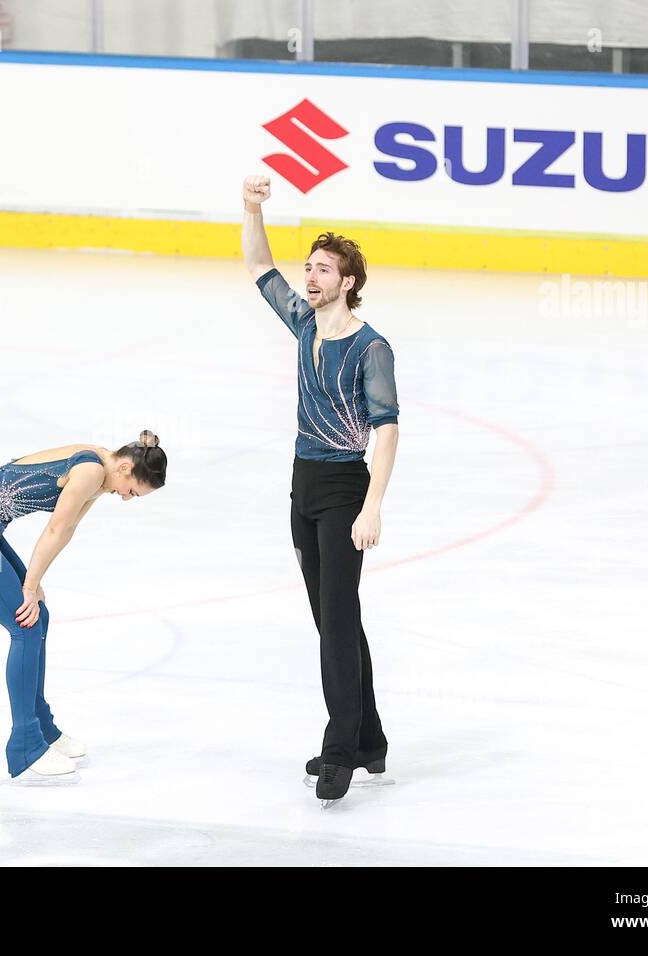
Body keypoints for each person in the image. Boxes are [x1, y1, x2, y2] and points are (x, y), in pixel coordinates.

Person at [240, 174, 401, 807]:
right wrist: (251, 207)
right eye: (308, 267)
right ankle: (370, 737)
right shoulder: (305, 325)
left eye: (323, 269)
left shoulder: (371, 348)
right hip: (302, 488)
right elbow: (258, 263)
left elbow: (386, 430)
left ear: (349, 281)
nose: (309, 277)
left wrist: (372, 507)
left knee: (337, 620)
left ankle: (341, 751)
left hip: (342, 489)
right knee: (332, 617)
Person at [0, 431, 166, 784]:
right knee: (25, 624)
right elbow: (56, 528)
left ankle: (42, 727)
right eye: (132, 490)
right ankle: (24, 747)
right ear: (124, 467)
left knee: (39, 615)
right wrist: (28, 585)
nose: (126, 498)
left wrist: (33, 580)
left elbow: (67, 528)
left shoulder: (99, 470)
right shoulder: (89, 471)